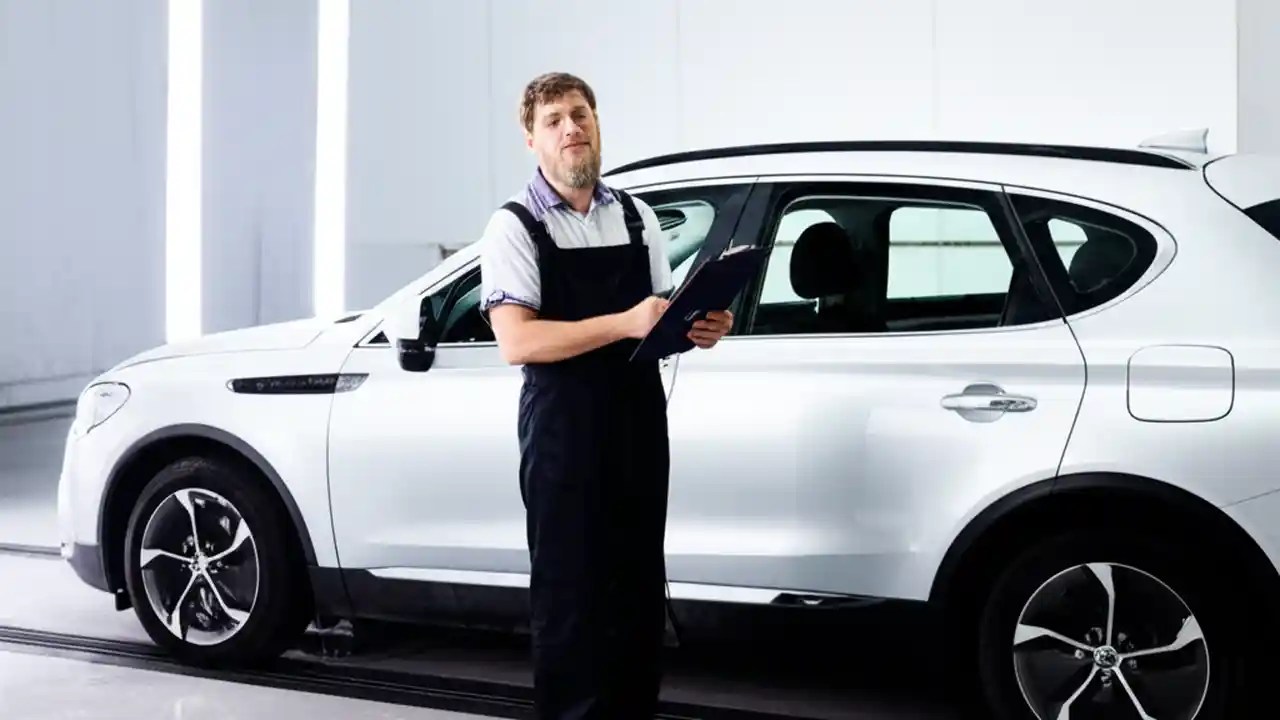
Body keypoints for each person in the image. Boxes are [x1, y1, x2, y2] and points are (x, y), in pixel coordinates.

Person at [479, 72, 733, 718]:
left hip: (638, 427)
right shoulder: (513, 227)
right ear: (531, 139)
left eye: (581, 114)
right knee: (572, 601)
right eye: (555, 120)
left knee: (638, 594)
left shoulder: (635, 216)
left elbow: (659, 322)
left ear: (597, 123)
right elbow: (517, 342)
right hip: (563, 435)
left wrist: (698, 328)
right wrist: (625, 323)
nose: (572, 129)